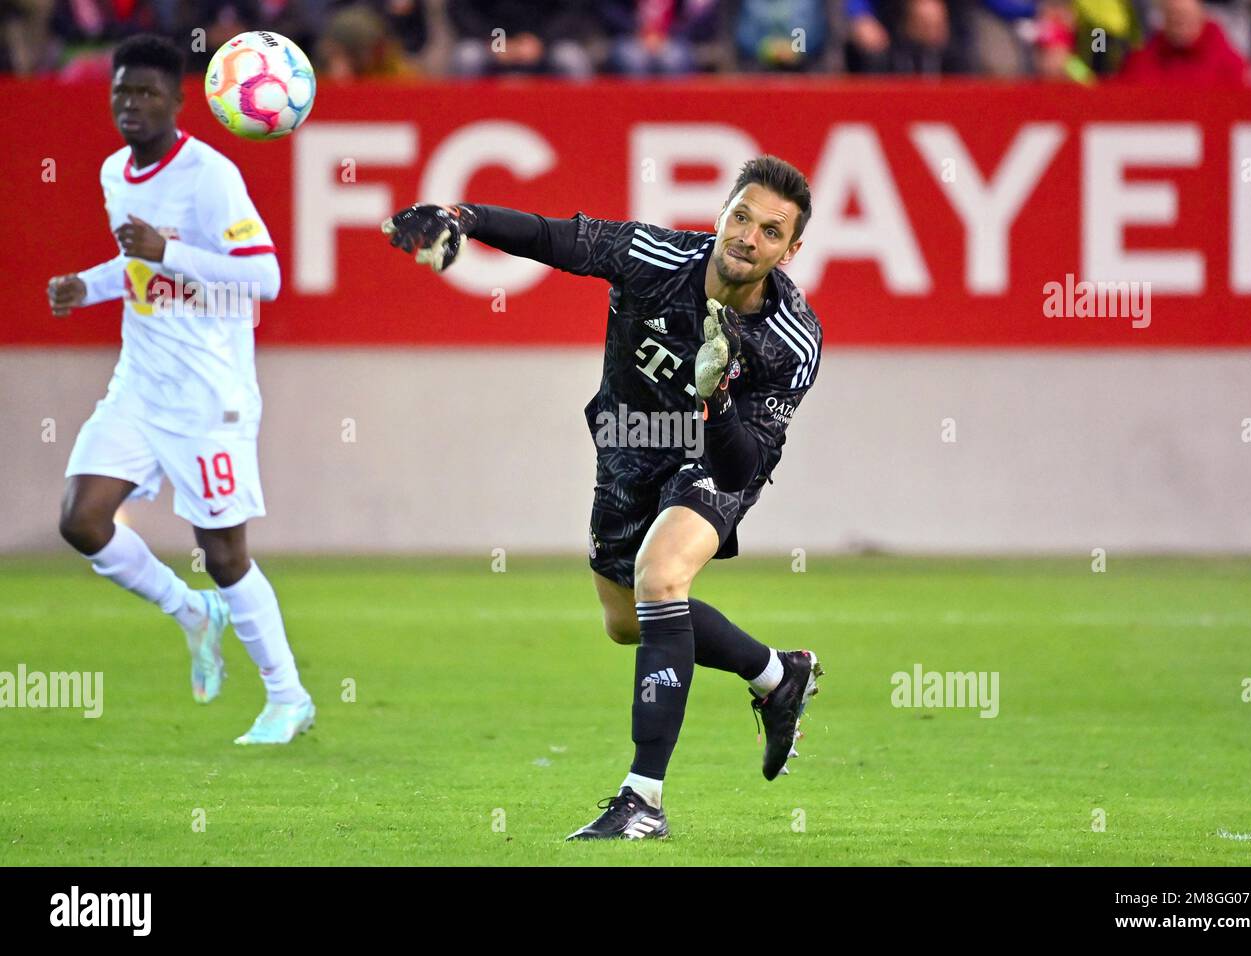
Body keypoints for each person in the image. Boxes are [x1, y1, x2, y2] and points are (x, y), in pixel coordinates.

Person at [382, 155, 825, 840]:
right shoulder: (657, 258)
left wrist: (721, 397)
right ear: (721, 214)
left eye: (771, 231)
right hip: (626, 442)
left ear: (791, 250)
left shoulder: (790, 341)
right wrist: (460, 218)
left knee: (662, 573)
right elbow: (556, 239)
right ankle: (777, 674)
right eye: (741, 216)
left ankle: (641, 800)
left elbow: (740, 471)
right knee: (626, 620)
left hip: (711, 458)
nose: (748, 237)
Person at [47, 34, 314, 744]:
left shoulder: (209, 175)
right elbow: (138, 267)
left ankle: (288, 697)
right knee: (81, 519)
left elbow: (264, 276)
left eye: (147, 94)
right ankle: (188, 610)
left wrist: (173, 252)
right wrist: (91, 285)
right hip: (140, 382)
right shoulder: (113, 172)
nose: (131, 105)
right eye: (122, 93)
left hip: (209, 394)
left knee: (225, 555)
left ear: (178, 100)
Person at [1118, 0, 1249, 86]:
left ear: (1200, 16)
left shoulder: (1228, 64)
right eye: (1174, 17)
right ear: (1164, 19)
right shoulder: (1141, 61)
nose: (1180, 23)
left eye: (1185, 16)